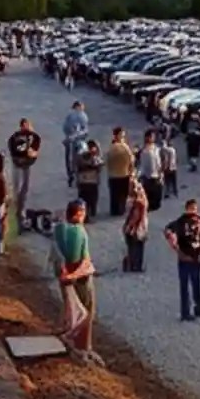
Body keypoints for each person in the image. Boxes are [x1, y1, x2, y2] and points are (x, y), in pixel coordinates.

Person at [53, 199, 97, 356]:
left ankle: (73, 339)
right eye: (83, 212)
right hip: (81, 279)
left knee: (72, 310)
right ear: (79, 214)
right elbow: (79, 259)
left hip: (65, 279)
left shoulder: (59, 230)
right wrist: (77, 273)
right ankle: (83, 346)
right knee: (86, 312)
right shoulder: (78, 232)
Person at [164, 199, 200, 321]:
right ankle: (185, 312)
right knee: (184, 286)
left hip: (197, 257)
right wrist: (174, 245)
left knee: (196, 284)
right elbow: (168, 230)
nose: (193, 211)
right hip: (184, 257)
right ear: (187, 208)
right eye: (191, 208)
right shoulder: (180, 221)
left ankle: (198, 308)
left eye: (195, 208)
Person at [7, 118, 42, 225]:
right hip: (19, 164)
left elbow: (35, 148)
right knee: (18, 188)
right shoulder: (17, 137)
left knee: (24, 188)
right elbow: (13, 147)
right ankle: (17, 209)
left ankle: (20, 208)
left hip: (24, 165)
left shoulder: (32, 137)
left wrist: (33, 153)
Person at [123, 178, 149, 272]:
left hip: (135, 227)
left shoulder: (134, 201)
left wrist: (128, 226)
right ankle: (135, 265)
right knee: (137, 247)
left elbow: (134, 216)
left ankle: (133, 264)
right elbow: (135, 215)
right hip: (139, 227)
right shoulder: (139, 201)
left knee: (133, 247)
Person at [107, 127, 134, 217]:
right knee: (121, 194)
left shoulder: (112, 147)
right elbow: (131, 159)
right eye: (121, 135)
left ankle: (116, 209)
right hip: (121, 174)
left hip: (116, 174)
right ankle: (120, 209)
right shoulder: (122, 147)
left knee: (116, 194)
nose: (123, 137)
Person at [62, 101, 89, 186]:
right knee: (79, 158)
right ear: (78, 107)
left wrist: (69, 136)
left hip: (70, 140)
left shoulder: (69, 116)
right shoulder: (83, 116)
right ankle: (77, 175)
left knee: (69, 159)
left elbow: (65, 128)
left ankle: (71, 175)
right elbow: (85, 130)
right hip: (79, 141)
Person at [136, 130, 164, 212]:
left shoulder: (157, 149)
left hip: (156, 174)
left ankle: (155, 204)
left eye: (152, 137)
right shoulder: (142, 150)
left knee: (157, 191)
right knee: (148, 191)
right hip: (146, 176)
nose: (151, 139)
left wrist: (161, 173)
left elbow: (161, 161)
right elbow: (139, 163)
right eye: (149, 137)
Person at [76, 141, 103, 220]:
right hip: (91, 182)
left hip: (83, 182)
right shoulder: (94, 158)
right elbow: (99, 165)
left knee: (84, 199)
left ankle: (85, 214)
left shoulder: (80, 157)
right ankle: (90, 213)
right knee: (91, 199)